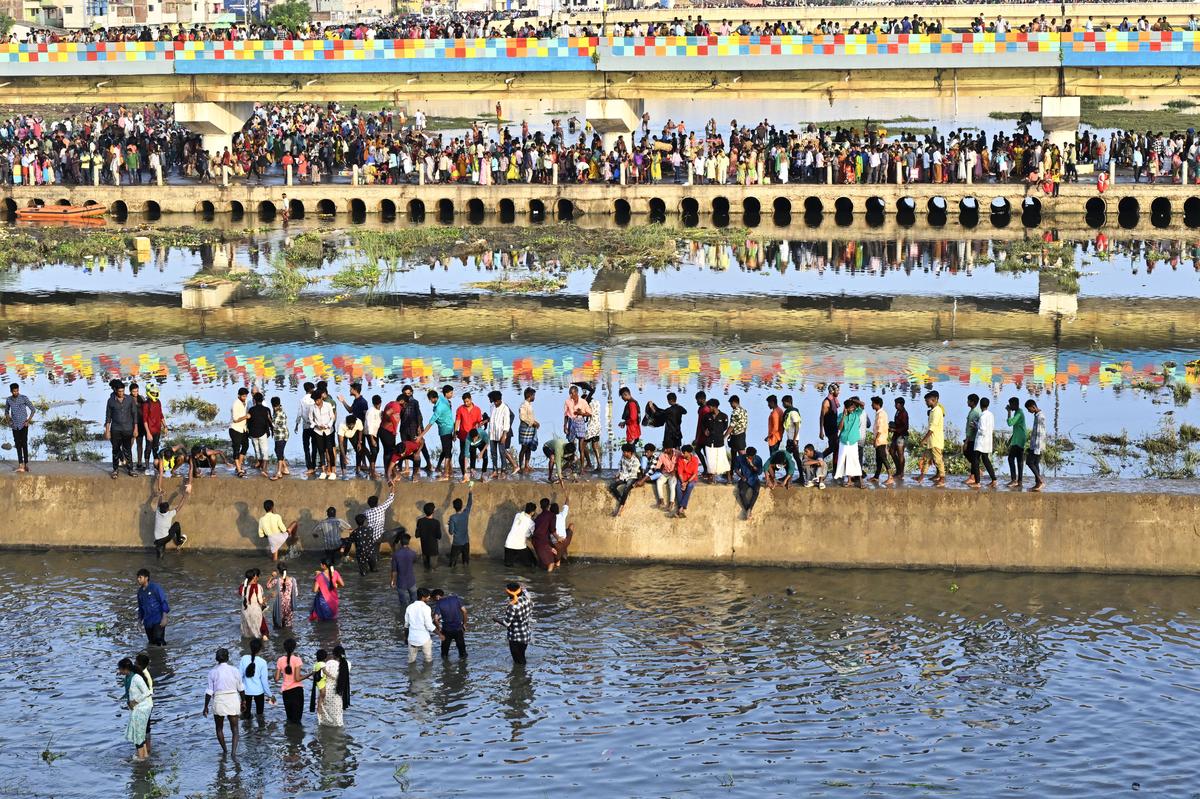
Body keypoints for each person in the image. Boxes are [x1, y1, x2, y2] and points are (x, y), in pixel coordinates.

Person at [203, 648, 244, 755]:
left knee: (219, 728)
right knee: (235, 729)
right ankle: (233, 753)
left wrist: (205, 706)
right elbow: (241, 688)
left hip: (219, 700)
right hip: (232, 699)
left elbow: (209, 691)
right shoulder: (234, 670)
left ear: (217, 659)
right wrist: (243, 701)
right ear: (228, 657)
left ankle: (225, 751)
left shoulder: (213, 672)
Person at [118, 657, 152, 760]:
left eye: (120, 669)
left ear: (125, 669)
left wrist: (135, 701)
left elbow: (148, 692)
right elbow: (130, 691)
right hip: (136, 708)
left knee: (138, 735)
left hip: (142, 708)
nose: (119, 671)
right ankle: (145, 755)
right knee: (139, 733)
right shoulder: (127, 678)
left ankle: (141, 760)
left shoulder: (136, 678)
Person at [105, 380, 139, 478]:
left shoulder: (129, 399)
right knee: (115, 450)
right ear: (116, 390)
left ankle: (130, 469)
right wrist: (107, 431)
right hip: (115, 429)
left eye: (123, 391)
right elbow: (108, 416)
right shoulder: (111, 401)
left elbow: (134, 414)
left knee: (127, 450)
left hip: (128, 429)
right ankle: (115, 470)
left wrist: (135, 428)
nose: (121, 393)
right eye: (119, 391)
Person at [487, 390, 519, 478]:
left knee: (502, 453)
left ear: (499, 400)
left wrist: (505, 434)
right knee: (493, 453)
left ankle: (504, 471)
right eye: (493, 401)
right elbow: (493, 420)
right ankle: (495, 471)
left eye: (495, 401)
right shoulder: (492, 406)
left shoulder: (505, 408)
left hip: (501, 434)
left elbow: (507, 423)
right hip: (493, 434)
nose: (495, 403)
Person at [239, 638, 274, 719]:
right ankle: (261, 730)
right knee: (260, 715)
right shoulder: (263, 662)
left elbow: (239, 677)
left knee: (246, 715)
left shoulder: (244, 658)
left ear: (250, 648)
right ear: (260, 649)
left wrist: (238, 691)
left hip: (246, 692)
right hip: (259, 692)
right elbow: (264, 682)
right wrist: (270, 695)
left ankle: (248, 730)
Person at [499, 582, 533, 666]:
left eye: (507, 592)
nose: (506, 593)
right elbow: (525, 591)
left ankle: (519, 676)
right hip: (526, 634)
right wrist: (523, 588)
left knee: (518, 661)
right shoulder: (527, 599)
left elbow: (506, 623)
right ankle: (526, 676)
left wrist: (495, 619)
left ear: (510, 593)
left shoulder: (512, 606)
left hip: (515, 638)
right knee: (522, 657)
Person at [317, 645, 350, 728]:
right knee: (337, 719)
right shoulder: (348, 664)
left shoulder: (330, 663)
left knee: (324, 718)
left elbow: (321, 675)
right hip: (338, 693)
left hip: (326, 692)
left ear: (334, 655)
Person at [152, 486, 189, 559]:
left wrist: (161, 495)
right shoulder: (169, 514)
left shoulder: (157, 512)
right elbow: (179, 507)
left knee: (159, 558)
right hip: (166, 537)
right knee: (177, 524)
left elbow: (159, 504)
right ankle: (179, 541)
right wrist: (184, 497)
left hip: (158, 540)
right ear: (167, 510)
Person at [453, 392, 483, 481]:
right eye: (465, 402)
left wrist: (481, 425)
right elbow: (457, 421)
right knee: (462, 456)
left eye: (467, 401)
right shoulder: (460, 409)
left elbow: (479, 423)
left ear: (471, 399)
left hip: (473, 436)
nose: (466, 403)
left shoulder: (477, 409)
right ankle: (464, 474)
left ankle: (472, 471)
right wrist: (455, 432)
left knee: (473, 454)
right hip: (463, 436)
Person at [135, 568, 169, 646]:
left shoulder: (155, 588)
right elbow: (141, 608)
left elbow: (163, 602)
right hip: (147, 622)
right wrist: (139, 622)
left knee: (159, 640)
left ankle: (163, 656)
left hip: (158, 620)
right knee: (151, 643)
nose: (138, 579)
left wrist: (164, 617)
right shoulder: (140, 592)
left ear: (146, 578)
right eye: (138, 577)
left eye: (140, 577)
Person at [432, 588, 468, 659]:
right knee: (463, 653)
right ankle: (463, 667)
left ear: (437, 597)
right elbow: (464, 611)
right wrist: (464, 624)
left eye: (434, 599)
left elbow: (435, 619)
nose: (435, 600)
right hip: (458, 629)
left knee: (444, 654)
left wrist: (439, 629)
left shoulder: (439, 603)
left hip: (446, 630)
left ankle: (446, 668)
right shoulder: (456, 599)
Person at [404, 588, 437, 666]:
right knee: (428, 660)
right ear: (423, 597)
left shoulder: (409, 607)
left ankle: (412, 676)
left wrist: (406, 637)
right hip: (424, 638)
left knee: (411, 660)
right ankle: (427, 676)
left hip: (412, 638)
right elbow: (429, 626)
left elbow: (406, 625)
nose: (429, 598)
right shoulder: (426, 608)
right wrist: (440, 634)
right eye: (428, 596)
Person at [562, 384, 591, 473]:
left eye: (572, 393)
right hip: (571, 422)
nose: (571, 395)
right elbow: (566, 415)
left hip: (580, 422)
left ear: (577, 393)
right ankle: (571, 465)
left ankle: (582, 468)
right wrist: (565, 426)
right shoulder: (567, 401)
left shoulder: (583, 402)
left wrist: (581, 413)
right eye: (570, 393)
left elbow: (589, 413)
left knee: (580, 448)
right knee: (571, 446)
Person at [6, 383, 34, 473]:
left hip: (23, 425)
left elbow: (33, 409)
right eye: (14, 391)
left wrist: (28, 421)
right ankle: (20, 465)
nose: (16, 392)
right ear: (11, 391)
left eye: (17, 390)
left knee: (24, 444)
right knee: (18, 445)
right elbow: (6, 412)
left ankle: (26, 465)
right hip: (14, 426)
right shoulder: (9, 400)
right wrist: (9, 421)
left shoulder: (23, 398)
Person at [919, 391, 946, 486]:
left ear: (933, 400)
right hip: (932, 441)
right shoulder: (933, 411)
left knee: (938, 460)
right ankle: (921, 477)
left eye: (927, 401)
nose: (926, 403)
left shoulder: (937, 411)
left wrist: (924, 439)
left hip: (936, 440)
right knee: (926, 459)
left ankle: (942, 478)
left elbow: (932, 428)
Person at [275, 638, 304, 725]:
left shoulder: (280, 660)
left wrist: (278, 669)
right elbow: (297, 679)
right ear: (294, 647)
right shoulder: (297, 659)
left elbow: (276, 679)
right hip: (297, 691)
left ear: (284, 648)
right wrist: (309, 674)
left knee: (289, 718)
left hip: (286, 692)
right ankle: (296, 735)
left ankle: (289, 736)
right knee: (297, 719)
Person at [608, 443, 642, 516]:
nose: (624, 453)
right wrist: (618, 474)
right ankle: (622, 501)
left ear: (630, 452)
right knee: (612, 486)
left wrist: (622, 477)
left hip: (632, 477)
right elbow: (620, 466)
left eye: (625, 452)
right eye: (623, 452)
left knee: (626, 489)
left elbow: (633, 473)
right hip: (624, 476)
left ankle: (620, 508)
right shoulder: (623, 457)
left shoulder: (636, 461)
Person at [972, 397, 997, 487]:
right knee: (986, 460)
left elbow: (982, 430)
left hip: (981, 441)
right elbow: (991, 427)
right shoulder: (991, 415)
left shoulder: (982, 416)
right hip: (988, 440)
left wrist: (976, 426)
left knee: (975, 460)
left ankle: (977, 482)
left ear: (980, 405)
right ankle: (994, 479)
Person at [246, 391, 273, 477]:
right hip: (263, 432)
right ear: (262, 400)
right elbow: (270, 422)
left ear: (254, 400)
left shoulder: (251, 410)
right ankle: (264, 469)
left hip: (253, 433)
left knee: (257, 450)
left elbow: (248, 423)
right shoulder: (267, 410)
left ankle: (261, 466)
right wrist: (271, 431)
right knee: (264, 450)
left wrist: (249, 433)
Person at [734, 446, 763, 519]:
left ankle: (749, 509)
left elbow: (759, 472)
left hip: (754, 479)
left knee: (756, 491)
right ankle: (748, 510)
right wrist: (741, 476)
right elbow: (736, 470)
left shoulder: (758, 459)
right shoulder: (739, 458)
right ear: (746, 455)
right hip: (744, 479)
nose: (751, 458)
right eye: (749, 457)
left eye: (752, 457)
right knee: (741, 492)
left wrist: (752, 465)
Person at [240, 568, 269, 642]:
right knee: (263, 632)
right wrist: (270, 597)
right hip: (255, 612)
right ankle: (265, 650)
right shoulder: (257, 587)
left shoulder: (242, 587)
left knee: (249, 634)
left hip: (245, 612)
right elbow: (261, 602)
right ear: (254, 577)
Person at [268, 562, 299, 631]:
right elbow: (296, 593)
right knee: (288, 625)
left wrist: (272, 576)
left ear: (279, 571)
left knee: (279, 625)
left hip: (280, 605)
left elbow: (268, 586)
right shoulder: (293, 580)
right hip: (289, 605)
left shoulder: (277, 580)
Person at [391, 532, 419, 606]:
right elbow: (414, 562)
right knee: (414, 601)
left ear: (400, 542)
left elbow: (394, 571)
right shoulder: (413, 553)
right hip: (411, 580)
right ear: (408, 542)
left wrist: (393, 581)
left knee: (403, 603)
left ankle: (403, 616)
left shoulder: (396, 554)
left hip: (401, 582)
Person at [1005, 397, 1028, 487]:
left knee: (1011, 458)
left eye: (1011, 405)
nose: (1010, 406)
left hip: (1019, 440)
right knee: (1019, 460)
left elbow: (1010, 423)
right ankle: (1019, 481)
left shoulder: (1019, 414)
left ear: (1015, 404)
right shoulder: (1019, 412)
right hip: (1018, 438)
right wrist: (1011, 438)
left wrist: (1009, 412)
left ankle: (1014, 480)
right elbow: (1017, 428)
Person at [531, 498, 559, 571]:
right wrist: (558, 538)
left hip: (535, 541)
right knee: (551, 564)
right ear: (548, 506)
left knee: (542, 564)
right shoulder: (552, 515)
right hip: (542, 542)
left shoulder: (538, 517)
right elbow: (552, 530)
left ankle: (539, 580)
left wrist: (550, 548)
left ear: (541, 507)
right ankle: (548, 580)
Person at [228, 387, 251, 478]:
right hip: (235, 429)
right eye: (243, 396)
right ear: (239, 395)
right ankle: (238, 469)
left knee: (246, 446)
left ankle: (239, 466)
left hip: (243, 429)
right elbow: (235, 420)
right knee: (236, 448)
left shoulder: (244, 403)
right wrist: (246, 417)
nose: (245, 397)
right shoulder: (236, 404)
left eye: (246, 396)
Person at [1026, 399, 1047, 491]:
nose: (1028, 411)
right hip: (1036, 445)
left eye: (1029, 409)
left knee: (1029, 462)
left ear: (1033, 407)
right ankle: (1038, 484)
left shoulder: (1039, 417)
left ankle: (1040, 480)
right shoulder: (1037, 415)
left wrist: (1036, 449)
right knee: (1035, 464)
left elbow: (1039, 434)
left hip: (1037, 445)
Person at [447, 490, 473, 566]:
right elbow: (469, 504)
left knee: (452, 565)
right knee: (465, 564)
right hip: (466, 542)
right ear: (462, 506)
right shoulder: (466, 514)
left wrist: (449, 525)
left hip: (456, 543)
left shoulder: (452, 517)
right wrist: (470, 493)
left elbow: (451, 532)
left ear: (454, 507)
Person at [818, 383, 841, 467]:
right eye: (837, 390)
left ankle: (835, 469)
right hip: (829, 429)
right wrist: (821, 431)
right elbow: (821, 417)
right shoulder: (826, 402)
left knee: (835, 448)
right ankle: (819, 458)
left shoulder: (834, 400)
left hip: (834, 427)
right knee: (833, 447)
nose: (839, 392)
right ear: (832, 391)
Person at [517, 387, 540, 473]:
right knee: (524, 448)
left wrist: (535, 422)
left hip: (530, 428)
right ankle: (521, 467)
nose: (534, 397)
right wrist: (533, 423)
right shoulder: (523, 405)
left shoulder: (529, 405)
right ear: (530, 396)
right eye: (534, 395)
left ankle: (527, 465)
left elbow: (529, 417)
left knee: (529, 448)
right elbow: (523, 417)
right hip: (525, 428)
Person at [674, 445, 700, 518]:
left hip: (691, 479)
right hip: (682, 478)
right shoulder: (680, 459)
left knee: (690, 486)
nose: (683, 454)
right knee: (678, 486)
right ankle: (681, 509)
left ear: (689, 453)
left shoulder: (695, 459)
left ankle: (680, 508)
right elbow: (680, 473)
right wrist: (683, 482)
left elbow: (694, 474)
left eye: (684, 453)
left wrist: (687, 482)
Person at [887, 397, 909, 485]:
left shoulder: (904, 413)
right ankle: (898, 470)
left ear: (901, 404)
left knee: (900, 453)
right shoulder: (898, 412)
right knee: (891, 451)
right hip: (896, 435)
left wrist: (895, 430)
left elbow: (905, 427)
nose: (895, 405)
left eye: (896, 404)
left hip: (902, 435)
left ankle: (901, 472)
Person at [415, 502, 443, 569]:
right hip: (433, 550)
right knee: (433, 570)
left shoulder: (420, 521)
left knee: (426, 569)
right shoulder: (436, 522)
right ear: (433, 511)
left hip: (424, 549)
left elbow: (417, 535)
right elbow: (439, 536)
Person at [869, 397, 890, 482]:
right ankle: (876, 476)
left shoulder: (881, 414)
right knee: (879, 459)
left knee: (883, 458)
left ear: (877, 404)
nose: (871, 405)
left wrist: (875, 440)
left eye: (873, 403)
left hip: (880, 440)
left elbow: (880, 429)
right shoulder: (879, 413)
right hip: (879, 440)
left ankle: (890, 476)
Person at [269, 396, 290, 480]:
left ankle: (279, 472)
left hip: (281, 435)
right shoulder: (278, 411)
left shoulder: (278, 413)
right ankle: (285, 468)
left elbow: (274, 425)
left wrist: (268, 418)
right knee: (277, 450)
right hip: (280, 434)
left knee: (279, 452)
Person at [962, 394, 981, 487]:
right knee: (972, 457)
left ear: (972, 402)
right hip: (972, 438)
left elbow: (971, 428)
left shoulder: (974, 413)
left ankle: (973, 476)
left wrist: (966, 441)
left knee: (970, 455)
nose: (967, 402)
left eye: (968, 400)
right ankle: (975, 472)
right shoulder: (975, 411)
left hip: (972, 439)